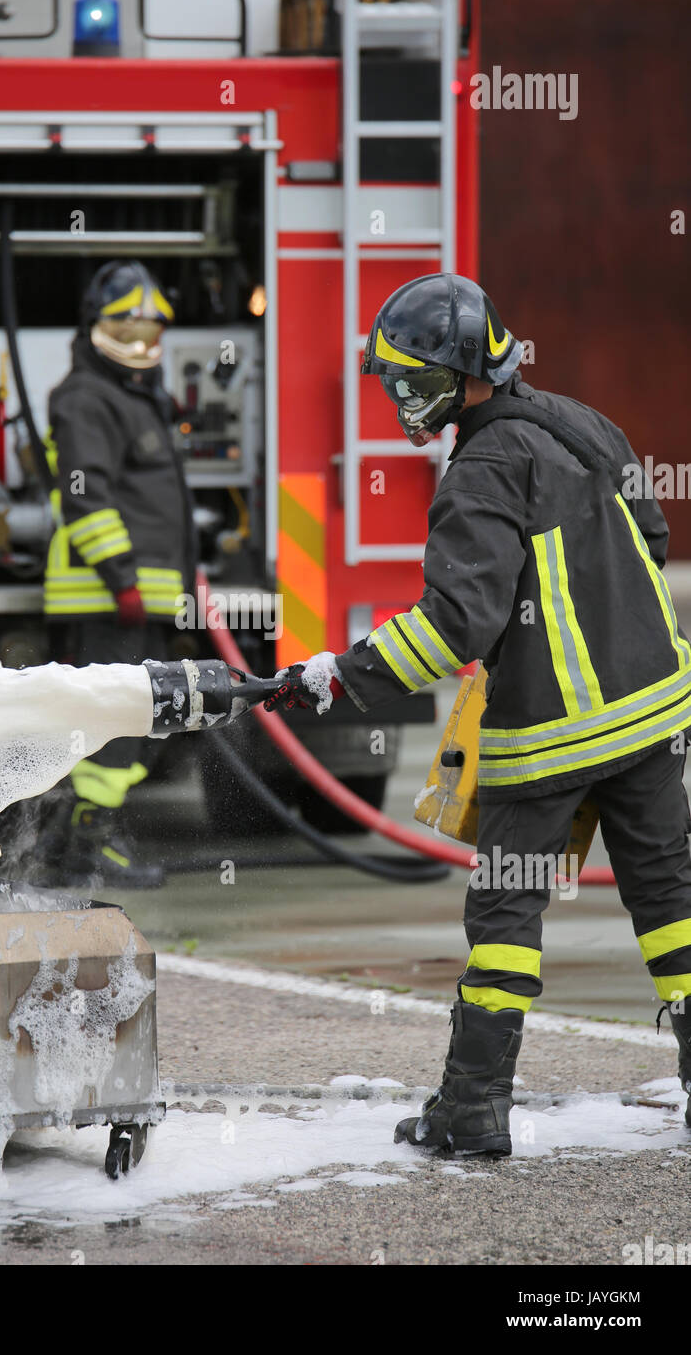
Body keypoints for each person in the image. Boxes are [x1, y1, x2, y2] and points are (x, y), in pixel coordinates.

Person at [266, 273, 691, 1154]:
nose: (400, 402)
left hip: (549, 738)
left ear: (462, 376)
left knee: (505, 916)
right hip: (653, 715)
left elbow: (460, 621)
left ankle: (471, 1113)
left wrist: (341, 677)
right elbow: (649, 541)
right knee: (671, 899)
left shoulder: (481, 471)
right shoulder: (584, 421)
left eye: (412, 382)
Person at [42, 260, 196, 888]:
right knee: (114, 729)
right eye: (124, 326)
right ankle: (85, 852)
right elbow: (85, 495)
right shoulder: (85, 398)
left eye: (149, 328)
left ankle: (67, 849)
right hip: (107, 597)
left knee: (137, 723)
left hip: (136, 597)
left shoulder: (131, 396)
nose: (139, 341)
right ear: (95, 325)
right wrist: (120, 577)